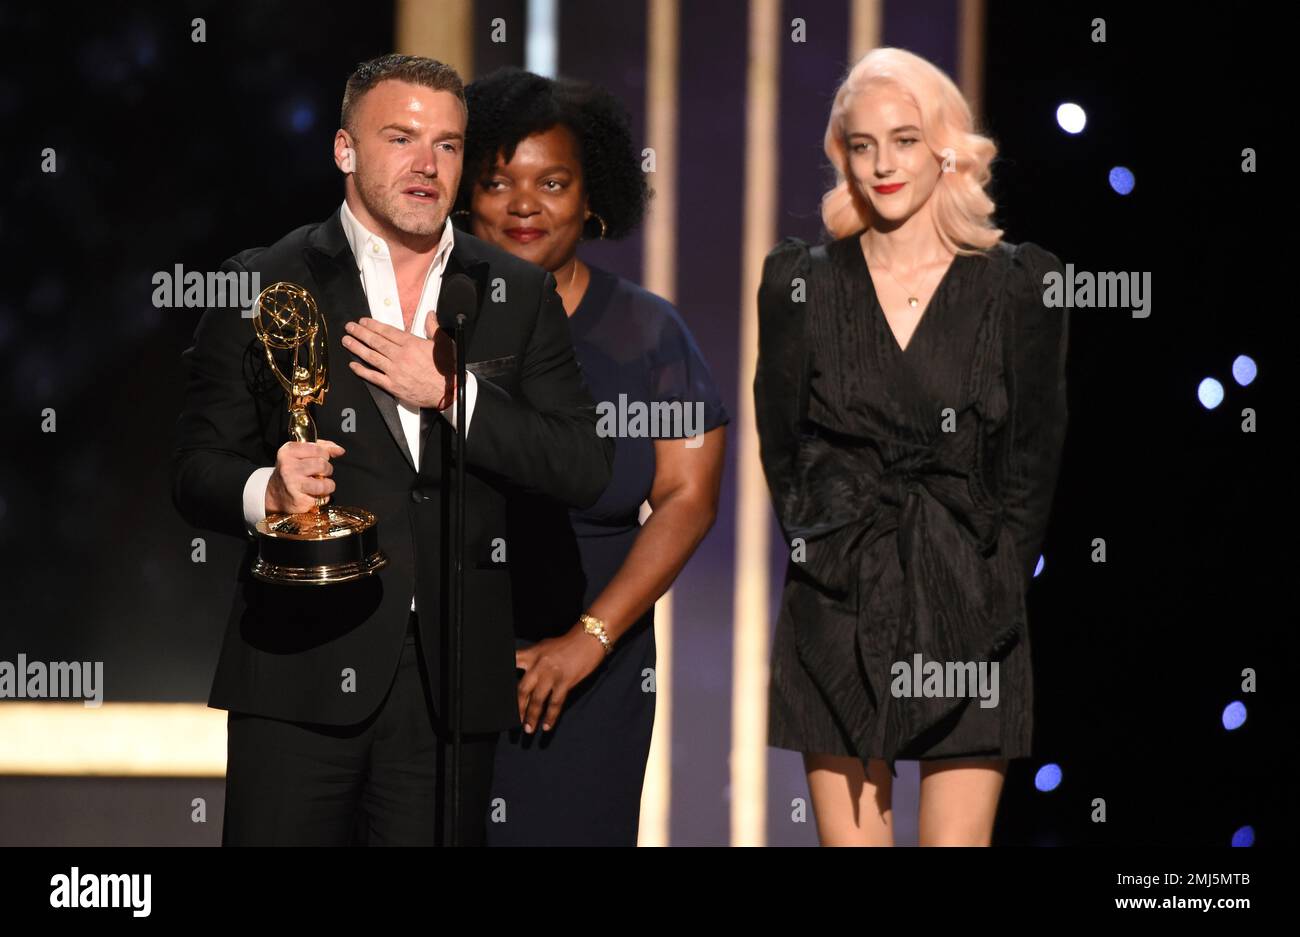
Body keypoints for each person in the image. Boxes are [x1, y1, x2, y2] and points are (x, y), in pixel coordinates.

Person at [171, 54, 613, 846]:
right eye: (401, 138)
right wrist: (267, 489)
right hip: (298, 666)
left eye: (446, 145)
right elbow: (196, 467)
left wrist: (451, 396)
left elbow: (581, 467)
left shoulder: (514, 292)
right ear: (345, 151)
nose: (426, 164)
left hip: (450, 688)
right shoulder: (264, 282)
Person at [755, 47, 1069, 846]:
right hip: (838, 598)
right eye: (862, 145)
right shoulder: (802, 284)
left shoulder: (1018, 286)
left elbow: (1032, 460)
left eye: (903, 139)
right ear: (842, 156)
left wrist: (992, 576)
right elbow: (781, 443)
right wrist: (825, 548)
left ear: (945, 146)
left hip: (974, 604)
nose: (883, 164)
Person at [454, 67, 729, 845]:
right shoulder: (427, 322)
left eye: (553, 182)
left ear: (592, 195)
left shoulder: (649, 334)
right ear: (467, 193)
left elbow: (687, 497)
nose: (522, 206)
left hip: (589, 679)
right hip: (438, 674)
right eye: (498, 180)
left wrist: (589, 639)